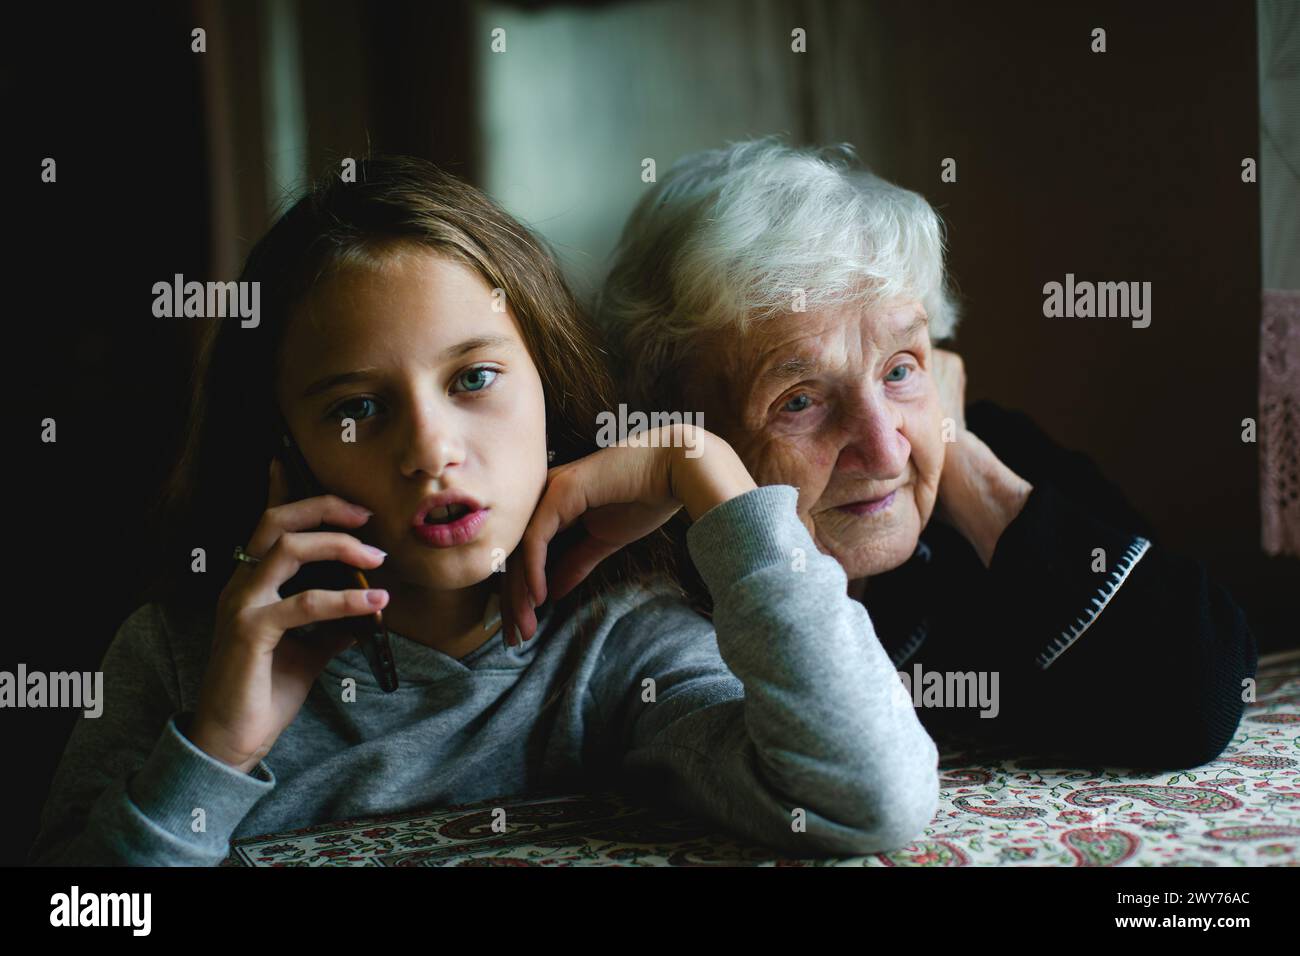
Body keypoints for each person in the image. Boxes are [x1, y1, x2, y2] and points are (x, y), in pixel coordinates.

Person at [28, 156, 939, 866]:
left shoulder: (616, 652)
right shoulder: (182, 658)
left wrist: (711, 474)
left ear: (553, 390)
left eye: (474, 379)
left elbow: (872, 799)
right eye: (358, 408)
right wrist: (215, 748)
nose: (430, 449)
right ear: (285, 448)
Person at [591, 136, 1258, 769]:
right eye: (798, 400)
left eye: (900, 368)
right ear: (675, 426)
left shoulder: (985, 456)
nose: (884, 450)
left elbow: (1198, 695)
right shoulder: (643, 598)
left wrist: (966, 464)